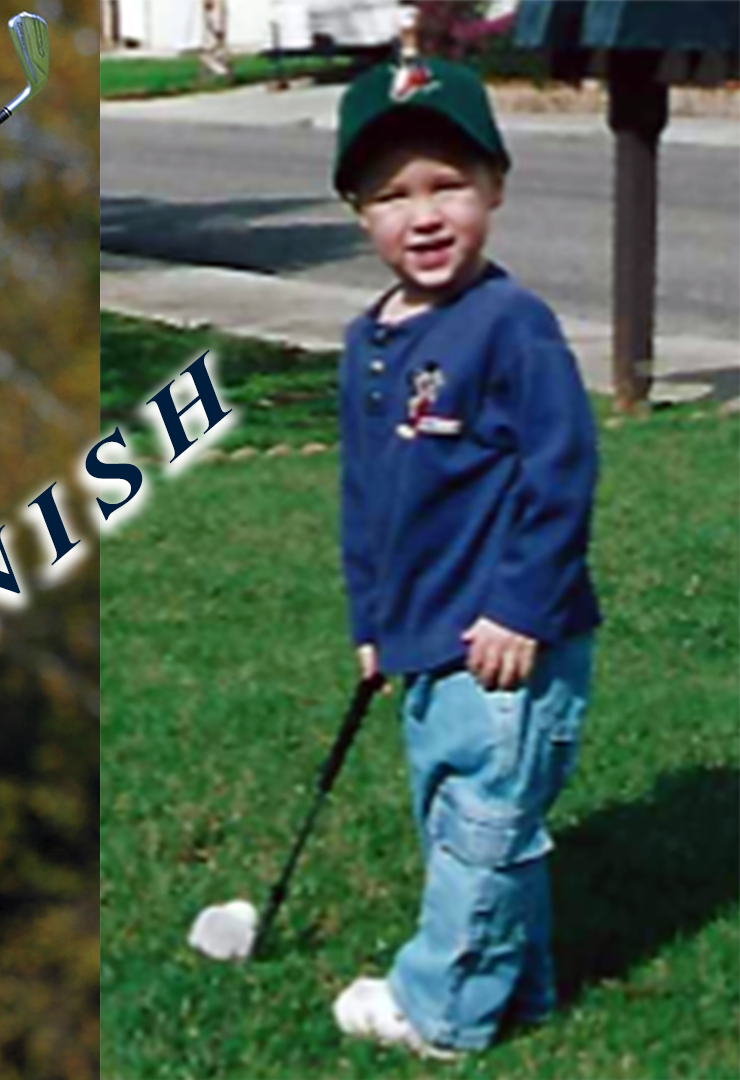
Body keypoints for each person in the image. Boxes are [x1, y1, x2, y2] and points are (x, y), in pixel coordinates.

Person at [327, 58, 601, 1058]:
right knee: (460, 815)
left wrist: (521, 608)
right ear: (361, 215)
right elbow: (368, 504)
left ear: (496, 187)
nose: (425, 215)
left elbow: (560, 476)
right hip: (424, 642)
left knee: (482, 832)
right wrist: (371, 621)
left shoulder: (511, 328)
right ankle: (519, 989)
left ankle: (442, 1009)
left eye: (448, 184)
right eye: (393, 196)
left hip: (505, 646)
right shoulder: (368, 342)